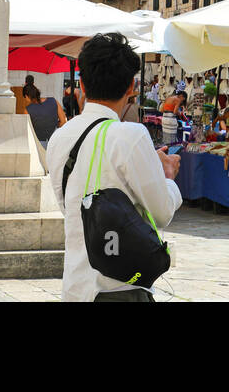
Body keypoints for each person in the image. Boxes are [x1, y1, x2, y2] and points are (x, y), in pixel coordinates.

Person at [44, 33, 181, 302]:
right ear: (131, 86)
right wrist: (167, 177)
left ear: (81, 83)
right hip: (120, 289)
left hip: (77, 287)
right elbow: (162, 213)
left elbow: (70, 207)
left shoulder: (60, 137)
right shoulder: (133, 136)